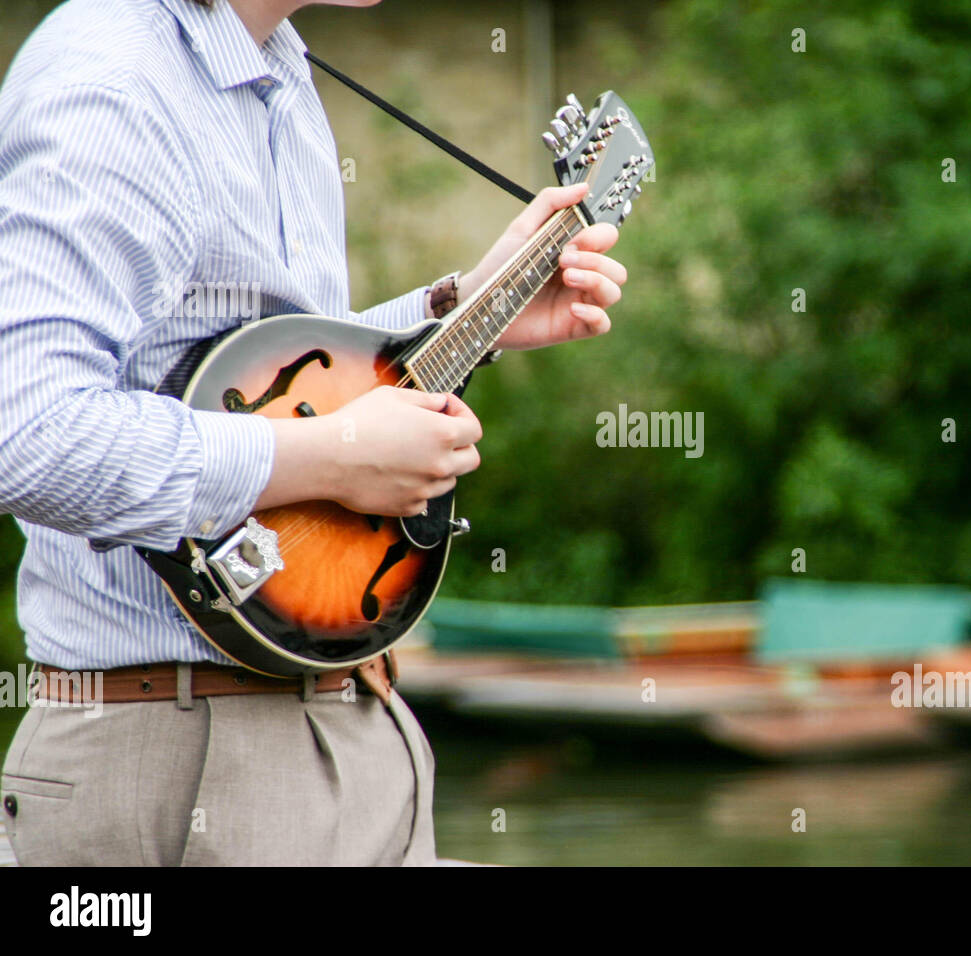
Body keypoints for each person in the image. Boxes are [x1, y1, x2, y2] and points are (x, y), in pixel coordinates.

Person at [0, 0, 627, 865]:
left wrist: (468, 305)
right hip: (188, 755)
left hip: (349, 731)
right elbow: (25, 432)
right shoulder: (111, 80)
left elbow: (281, 381)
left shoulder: (283, 71)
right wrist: (336, 457)